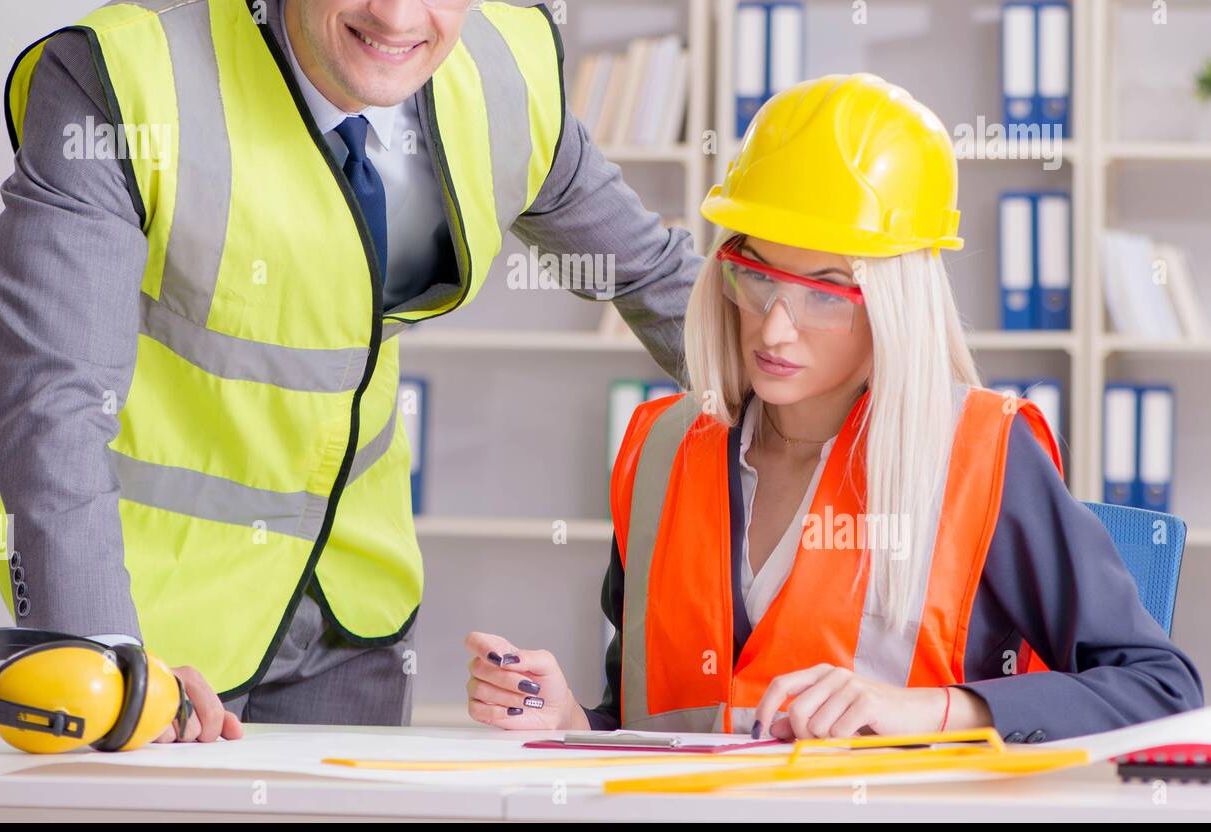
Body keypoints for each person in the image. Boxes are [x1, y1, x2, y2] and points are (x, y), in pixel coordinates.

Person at [0, 0, 701, 743]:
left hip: (352, 608)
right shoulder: (124, 80)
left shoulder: (502, 79)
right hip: (155, 618)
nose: (404, 13)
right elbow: (52, 403)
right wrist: (103, 657)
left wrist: (882, 404)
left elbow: (658, 283)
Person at [465, 73, 1204, 742]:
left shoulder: (980, 455)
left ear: (895, 303)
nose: (775, 327)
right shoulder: (658, 453)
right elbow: (653, 722)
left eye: (825, 290)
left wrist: (937, 708)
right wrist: (570, 720)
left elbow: (1163, 689)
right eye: (758, 275)